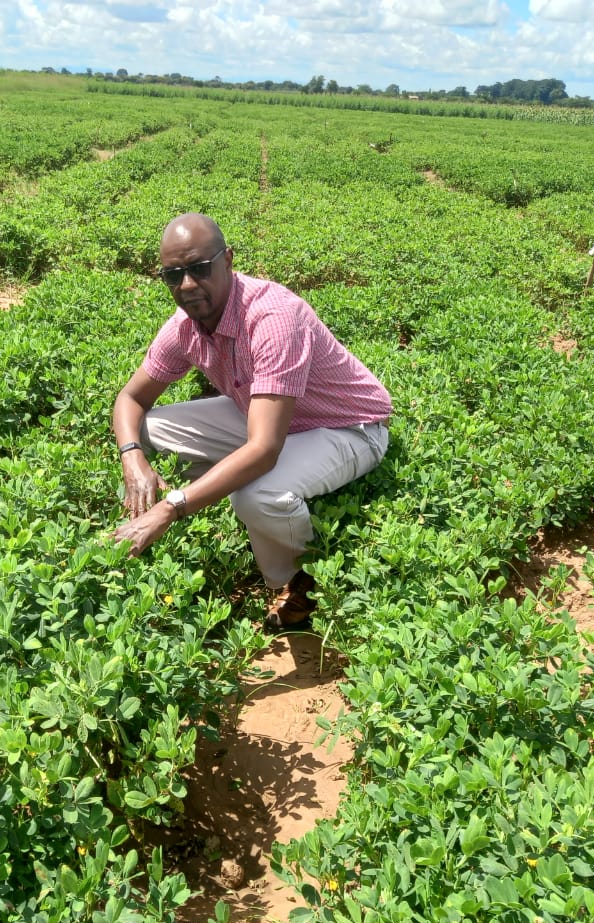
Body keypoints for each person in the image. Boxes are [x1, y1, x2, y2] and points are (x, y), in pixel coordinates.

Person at [110, 213, 392, 630]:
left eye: (199, 269)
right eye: (173, 275)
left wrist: (171, 508)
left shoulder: (273, 318)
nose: (187, 285)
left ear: (228, 260)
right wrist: (133, 459)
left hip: (348, 427)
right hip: (263, 414)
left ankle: (299, 584)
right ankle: (210, 492)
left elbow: (263, 451)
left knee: (256, 494)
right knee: (148, 429)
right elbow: (131, 399)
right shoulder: (184, 327)